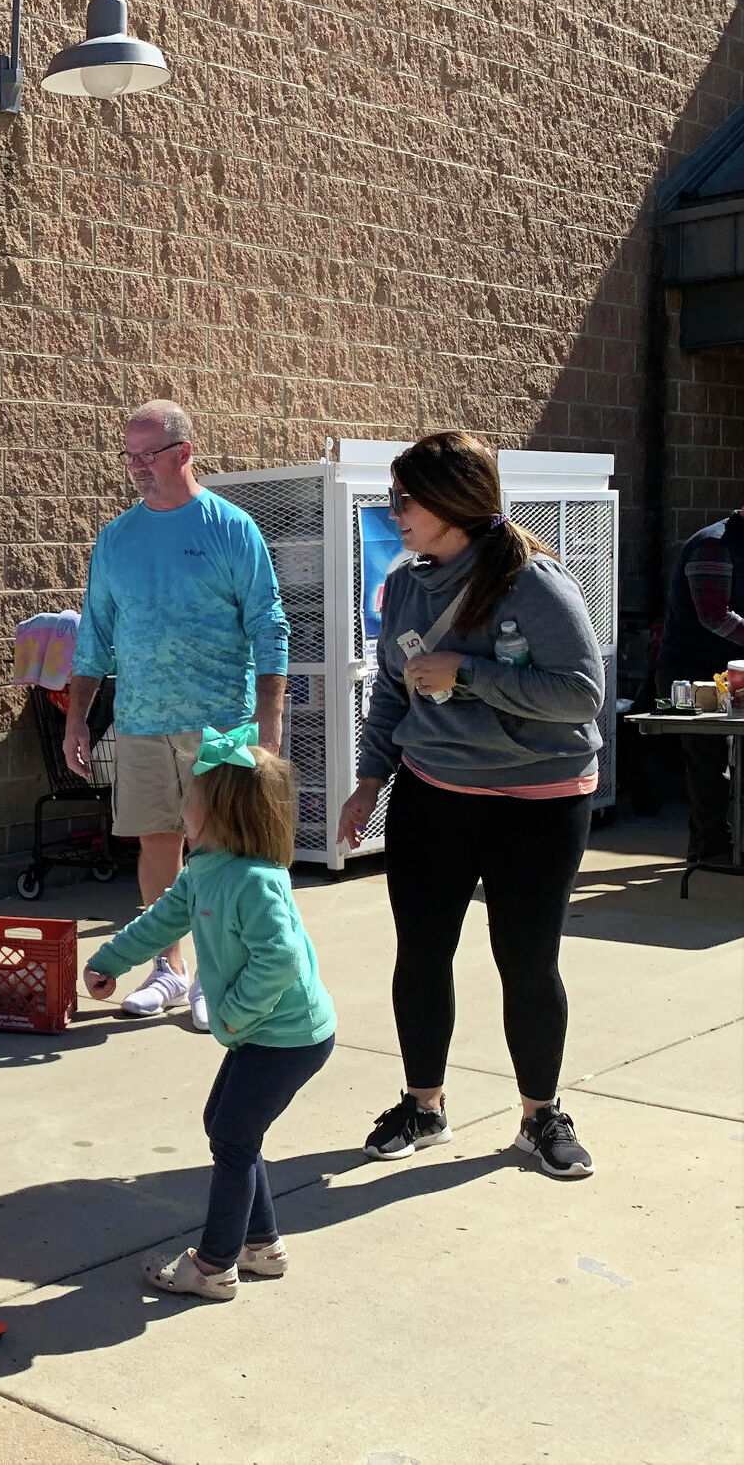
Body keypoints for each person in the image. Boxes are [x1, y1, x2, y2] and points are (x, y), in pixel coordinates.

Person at [338, 431, 604, 1180]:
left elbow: (582, 693)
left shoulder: (535, 582)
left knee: (526, 962)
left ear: (453, 504)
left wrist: (470, 671)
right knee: (421, 954)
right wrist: (368, 780)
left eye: (406, 499)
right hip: (434, 791)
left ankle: (540, 1116)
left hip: (538, 800)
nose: (395, 513)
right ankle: (424, 1106)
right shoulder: (407, 583)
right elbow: (392, 687)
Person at [81, 724, 336, 1301]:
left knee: (233, 1136)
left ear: (218, 812)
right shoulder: (204, 871)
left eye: (189, 798)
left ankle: (216, 1264)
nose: (181, 806)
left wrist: (238, 1016)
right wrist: (109, 959)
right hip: (263, 1031)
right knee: (229, 1129)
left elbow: (281, 958)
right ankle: (261, 1245)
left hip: (288, 1035)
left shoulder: (255, 881)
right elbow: (161, 922)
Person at [64, 400, 290, 1033]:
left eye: (149, 455)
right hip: (140, 720)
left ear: (185, 453)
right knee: (157, 840)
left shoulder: (230, 529)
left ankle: (218, 978)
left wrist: (268, 722)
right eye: (129, 455)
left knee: (221, 852)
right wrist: (77, 719)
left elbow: (269, 625)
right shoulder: (117, 538)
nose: (136, 467)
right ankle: (170, 968)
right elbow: (95, 637)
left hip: (220, 721)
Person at [655, 506, 744, 862]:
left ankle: (726, 843)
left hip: (727, 672)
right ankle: (710, 850)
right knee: (710, 768)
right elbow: (714, 615)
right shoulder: (714, 546)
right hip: (691, 678)